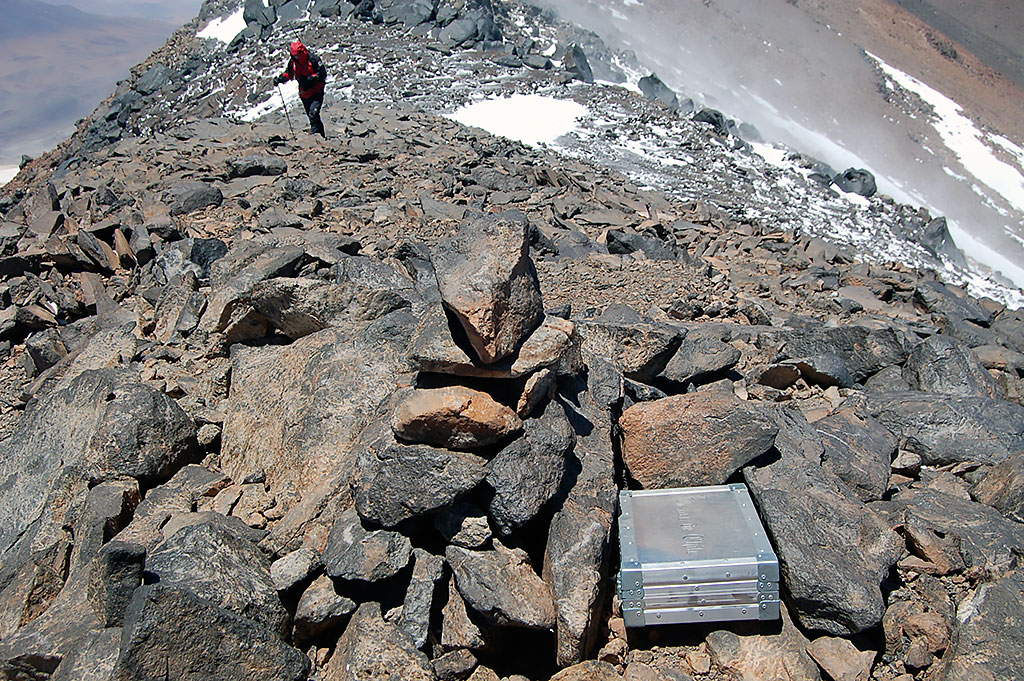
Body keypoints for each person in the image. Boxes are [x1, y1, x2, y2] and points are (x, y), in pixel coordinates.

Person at [274, 41, 327, 137]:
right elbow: (288, 74)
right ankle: (320, 137)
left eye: (297, 55)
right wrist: (279, 79)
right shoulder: (293, 63)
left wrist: (313, 77)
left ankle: (317, 136)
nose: (295, 58)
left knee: (313, 113)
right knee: (312, 117)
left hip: (316, 91)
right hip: (304, 93)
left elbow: (323, 74)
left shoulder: (313, 60)